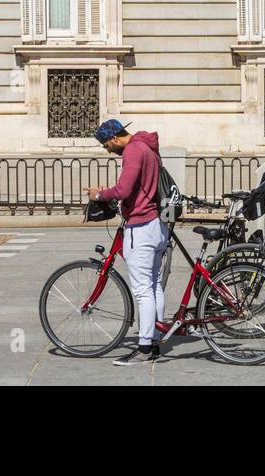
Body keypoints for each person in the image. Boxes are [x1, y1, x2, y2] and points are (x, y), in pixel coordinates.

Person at [86, 119, 167, 367]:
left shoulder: (133, 150)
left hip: (141, 226)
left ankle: (144, 348)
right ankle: (154, 339)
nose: (108, 151)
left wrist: (99, 194)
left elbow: (124, 188)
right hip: (156, 225)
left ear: (114, 138)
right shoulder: (149, 147)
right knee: (154, 285)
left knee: (143, 290)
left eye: (106, 146)